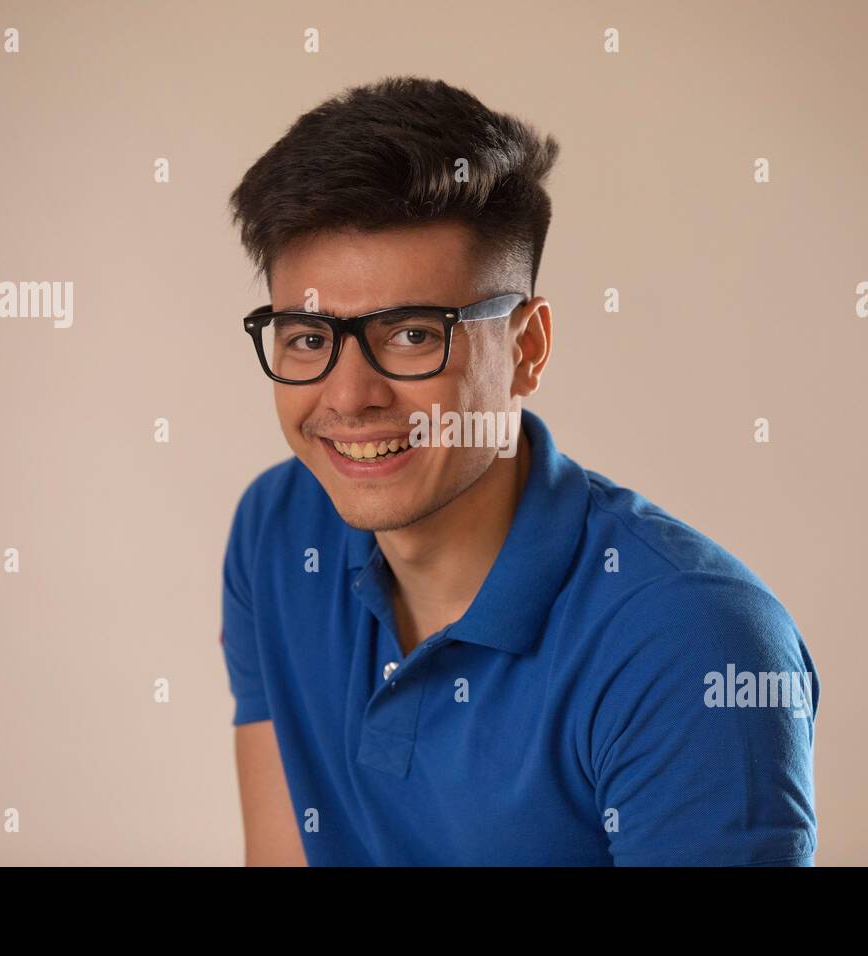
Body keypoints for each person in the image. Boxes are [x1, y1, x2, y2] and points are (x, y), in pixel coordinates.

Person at [220, 75, 819, 866]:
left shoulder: (695, 643)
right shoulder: (278, 531)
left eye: (409, 335)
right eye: (306, 338)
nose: (349, 397)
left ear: (527, 349)